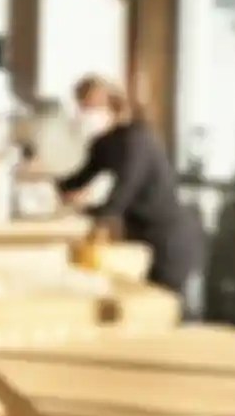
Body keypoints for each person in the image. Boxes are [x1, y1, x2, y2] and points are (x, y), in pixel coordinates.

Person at [58, 76, 203, 298]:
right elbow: (77, 180)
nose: (85, 115)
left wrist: (91, 212)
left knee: (160, 306)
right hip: (139, 237)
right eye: (81, 107)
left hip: (167, 240)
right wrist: (49, 182)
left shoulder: (137, 140)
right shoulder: (105, 143)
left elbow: (123, 192)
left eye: (90, 107)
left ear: (112, 105)